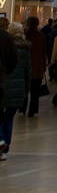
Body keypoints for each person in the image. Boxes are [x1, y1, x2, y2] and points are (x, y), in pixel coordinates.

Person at [0, 23, 31, 157]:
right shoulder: (25, 49)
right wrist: (25, 90)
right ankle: (5, 147)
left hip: (3, 86)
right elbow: (28, 72)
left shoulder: (4, 44)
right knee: (9, 118)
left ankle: (1, 139)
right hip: (18, 88)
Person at [24, 16, 47, 118]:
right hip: (38, 67)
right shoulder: (41, 36)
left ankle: (23, 107)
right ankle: (33, 110)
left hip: (27, 66)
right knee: (35, 91)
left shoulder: (25, 35)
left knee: (25, 89)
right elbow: (44, 52)